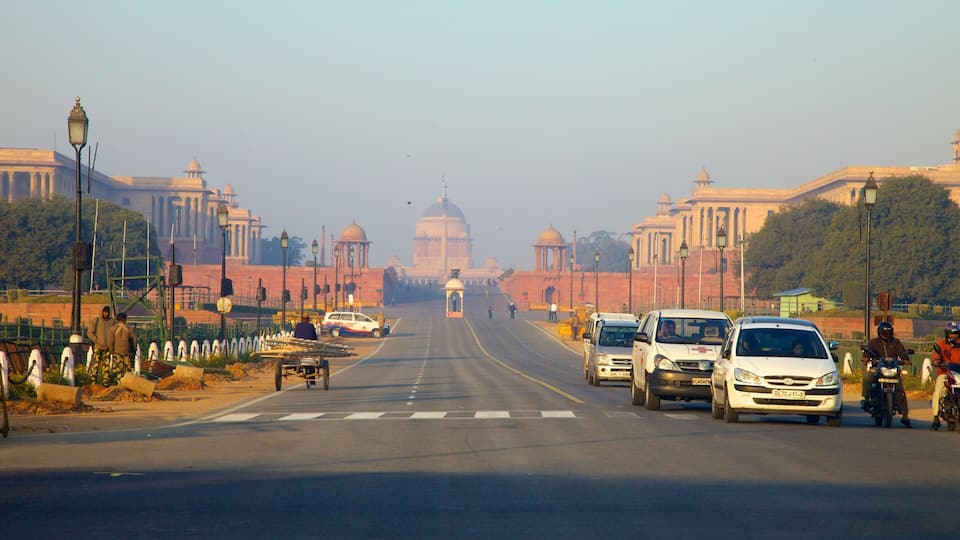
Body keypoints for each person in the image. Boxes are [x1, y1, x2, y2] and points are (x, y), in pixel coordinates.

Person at [862, 321, 912, 428]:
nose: (886, 335)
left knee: (900, 389)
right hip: (878, 368)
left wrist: (906, 359)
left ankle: (905, 416)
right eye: (884, 333)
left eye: (889, 333)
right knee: (867, 376)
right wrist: (866, 358)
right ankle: (866, 398)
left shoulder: (896, 342)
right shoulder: (873, 342)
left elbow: (902, 353)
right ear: (880, 333)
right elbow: (867, 352)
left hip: (893, 369)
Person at [930, 322, 960, 430]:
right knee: (938, 392)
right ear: (947, 334)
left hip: (958, 375)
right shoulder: (940, 344)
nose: (954, 336)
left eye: (956, 334)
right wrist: (937, 361)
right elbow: (935, 356)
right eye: (951, 334)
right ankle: (935, 417)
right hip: (945, 373)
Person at [87, 305, 115, 384]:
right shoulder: (96, 320)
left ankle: (106, 382)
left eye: (107, 312)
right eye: (104, 312)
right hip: (98, 347)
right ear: (102, 312)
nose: (106, 314)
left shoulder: (111, 322)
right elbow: (90, 333)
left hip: (107, 348)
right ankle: (93, 382)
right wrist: (97, 341)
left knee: (106, 366)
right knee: (95, 365)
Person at [109, 312, 136, 386]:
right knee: (128, 369)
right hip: (127, 352)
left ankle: (119, 384)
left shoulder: (112, 329)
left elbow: (110, 342)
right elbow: (134, 341)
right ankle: (128, 384)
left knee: (118, 369)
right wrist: (133, 350)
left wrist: (111, 351)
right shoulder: (130, 329)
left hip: (117, 351)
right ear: (125, 319)